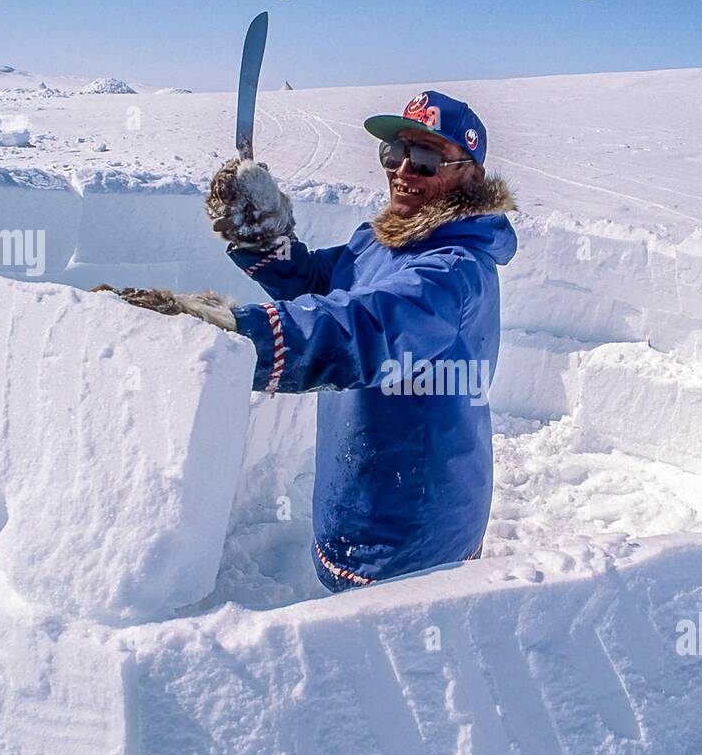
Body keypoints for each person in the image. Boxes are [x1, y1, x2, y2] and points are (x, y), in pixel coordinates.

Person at [101, 90, 516, 591]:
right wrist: (262, 234)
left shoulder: (453, 272)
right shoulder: (382, 238)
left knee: (391, 655)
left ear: (470, 175)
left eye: (426, 159)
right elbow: (324, 283)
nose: (403, 170)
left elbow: (361, 327)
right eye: (395, 153)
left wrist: (229, 331)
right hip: (360, 479)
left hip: (416, 521)